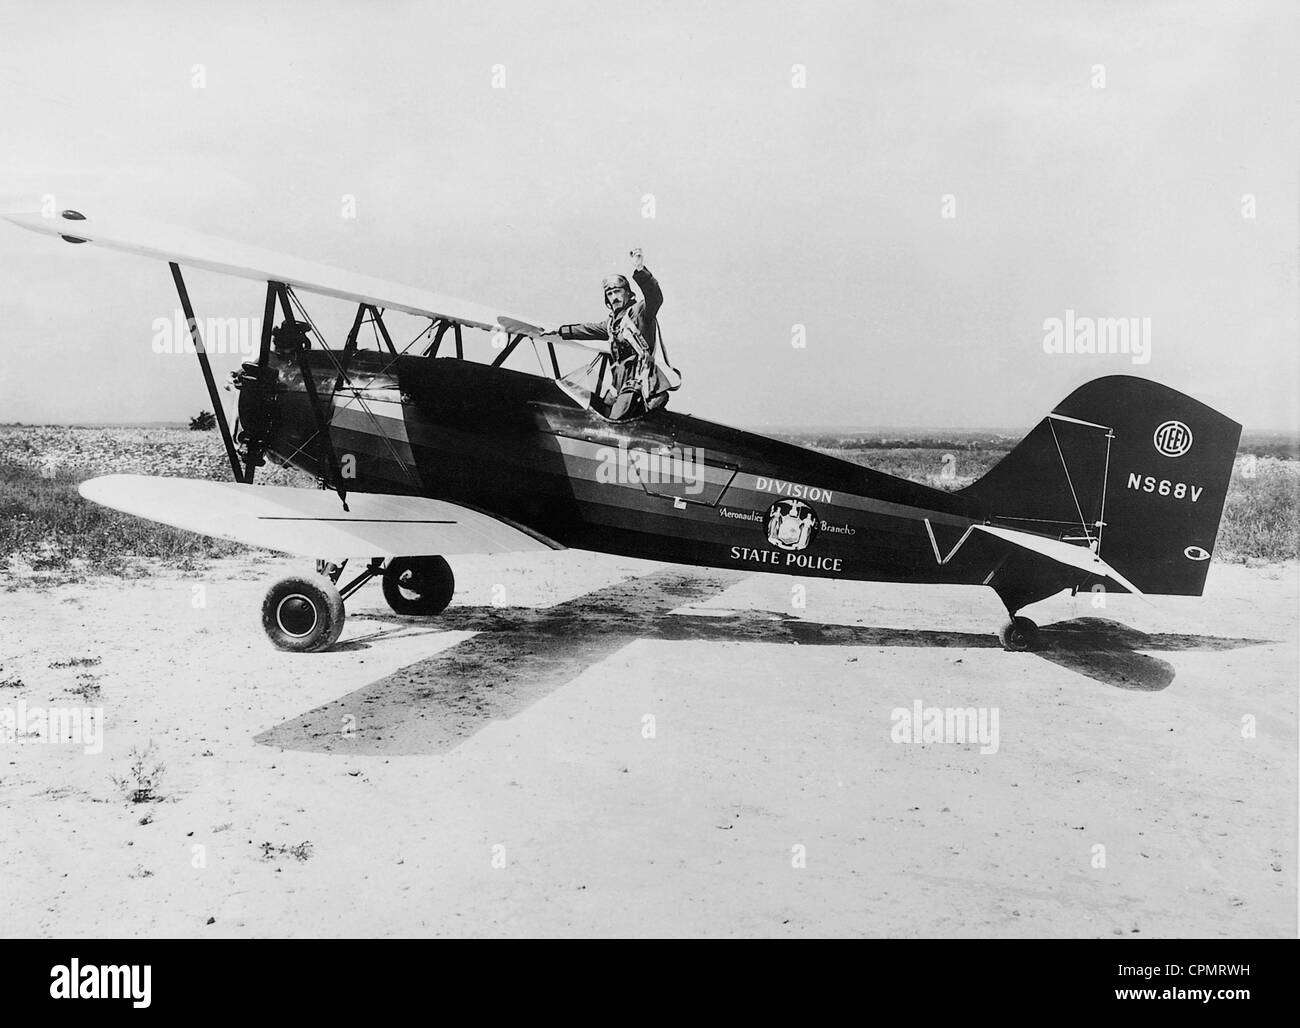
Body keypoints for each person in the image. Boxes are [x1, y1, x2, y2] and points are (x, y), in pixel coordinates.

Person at [547, 249, 669, 420]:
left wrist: (640, 270)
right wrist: (559, 330)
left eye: (617, 291)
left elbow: (655, 297)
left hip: (637, 383)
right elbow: (587, 329)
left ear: (627, 292)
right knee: (598, 409)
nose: (614, 297)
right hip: (617, 386)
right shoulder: (611, 324)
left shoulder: (639, 312)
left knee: (612, 422)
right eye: (609, 294)